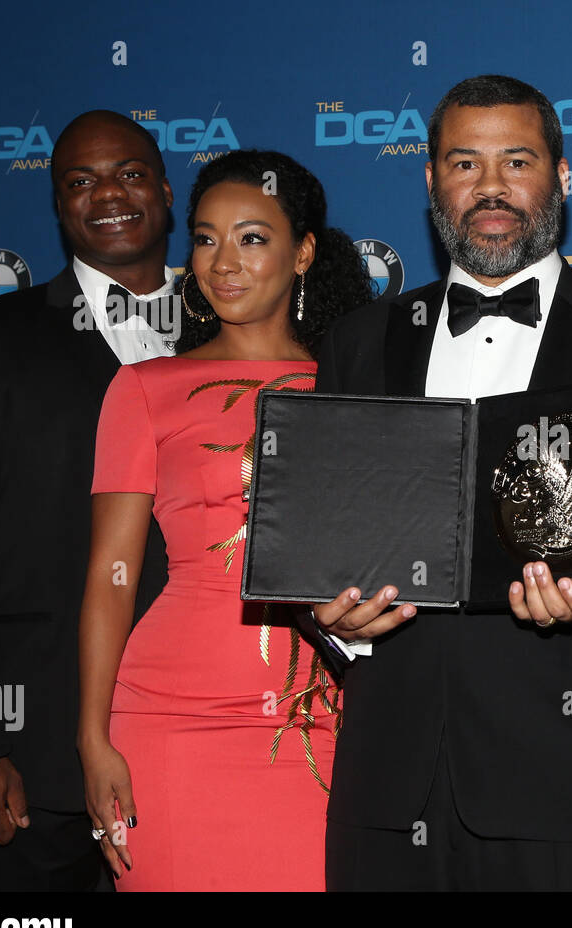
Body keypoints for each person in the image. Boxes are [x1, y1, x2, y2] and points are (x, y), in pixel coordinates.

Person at [307, 74, 572, 891]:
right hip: (386, 785)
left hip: (565, 783)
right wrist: (339, 621)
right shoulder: (360, 340)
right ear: (430, 180)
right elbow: (330, 535)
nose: (492, 188)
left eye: (518, 161)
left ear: (561, 176)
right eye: (465, 164)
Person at [78, 149, 374, 890]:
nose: (223, 261)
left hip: (326, 719)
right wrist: (92, 736)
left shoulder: (357, 386)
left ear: (303, 251)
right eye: (206, 238)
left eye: (252, 237)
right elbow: (111, 578)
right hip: (168, 717)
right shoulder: (146, 388)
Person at [0, 109, 173, 891]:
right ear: (59, 205)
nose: (108, 195)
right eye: (80, 181)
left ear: (165, 191)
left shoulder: (232, 333)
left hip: (193, 739)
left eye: (128, 174)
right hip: (30, 763)